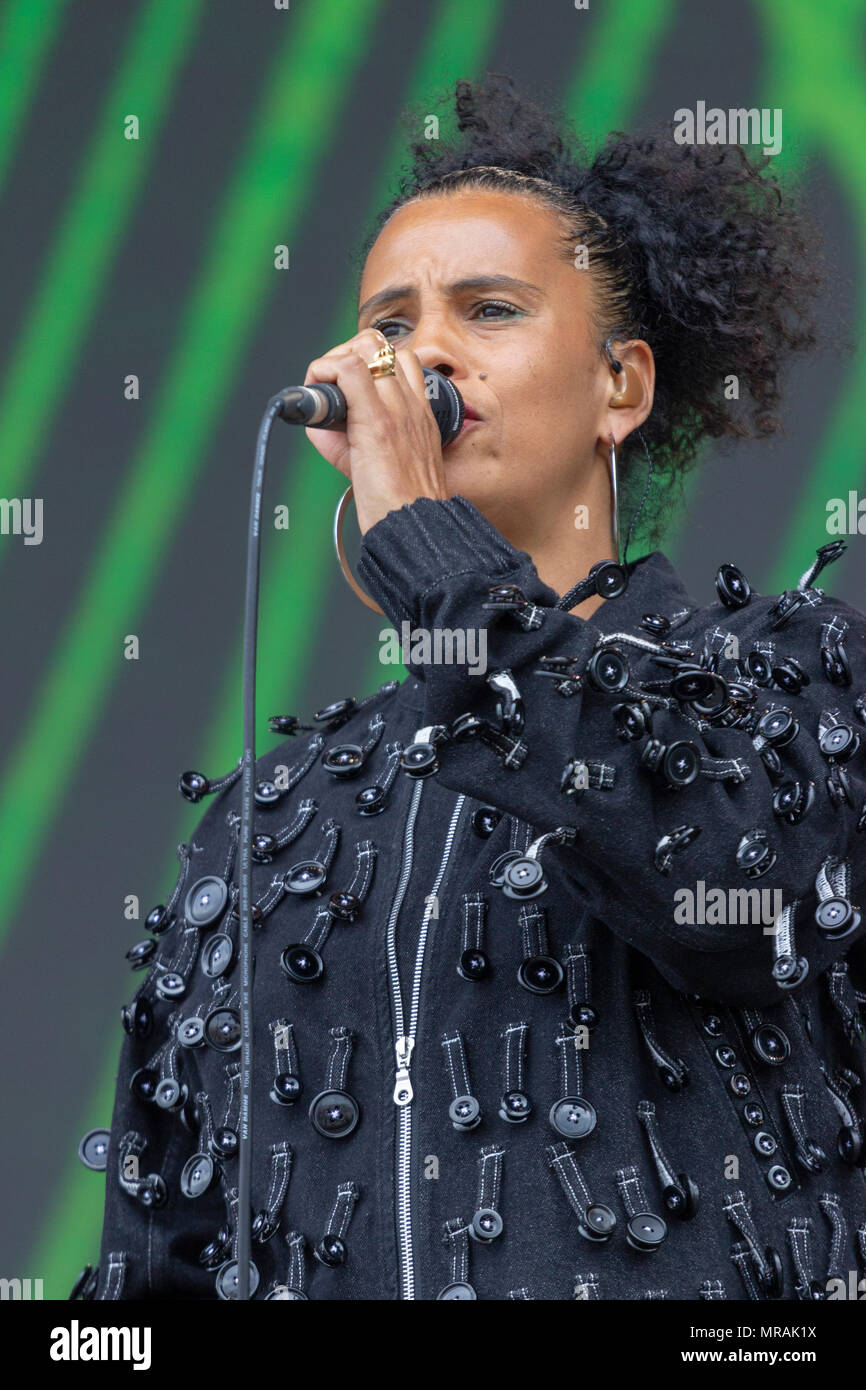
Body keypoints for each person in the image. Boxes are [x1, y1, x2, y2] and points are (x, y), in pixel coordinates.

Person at [74, 74, 866, 1301]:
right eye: (386, 324)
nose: (418, 353)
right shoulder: (269, 816)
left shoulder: (784, 679)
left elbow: (731, 892)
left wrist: (430, 547)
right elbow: (159, 1257)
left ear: (623, 387)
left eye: (487, 309)